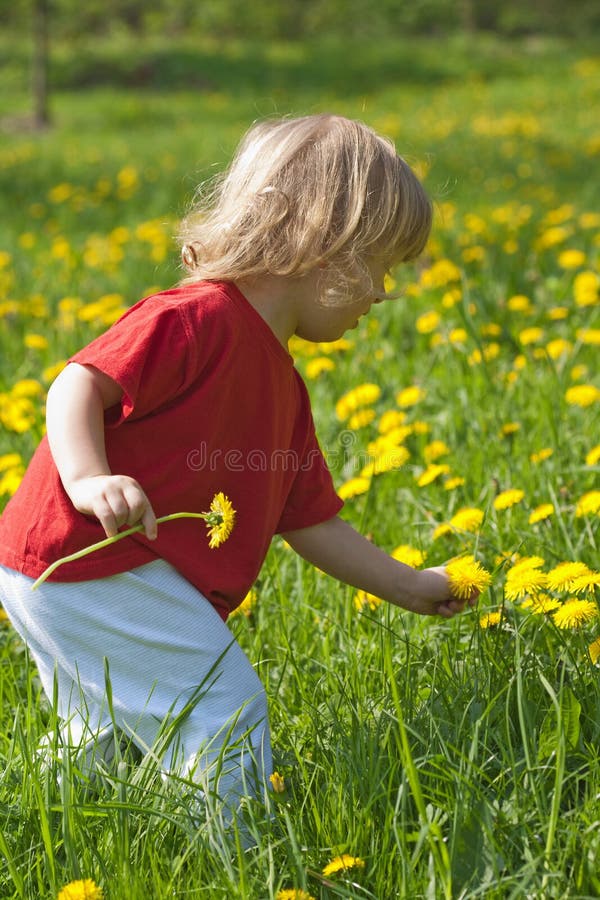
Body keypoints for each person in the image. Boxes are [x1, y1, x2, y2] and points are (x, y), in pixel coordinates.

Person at [0, 114, 477, 825]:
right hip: (89, 558)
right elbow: (77, 383)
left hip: (59, 571)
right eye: (381, 267)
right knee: (221, 706)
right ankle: (235, 860)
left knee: (101, 732)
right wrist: (87, 478)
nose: (383, 293)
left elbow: (311, 520)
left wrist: (408, 586)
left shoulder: (282, 385)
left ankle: (43, 821)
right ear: (326, 247)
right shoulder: (192, 320)